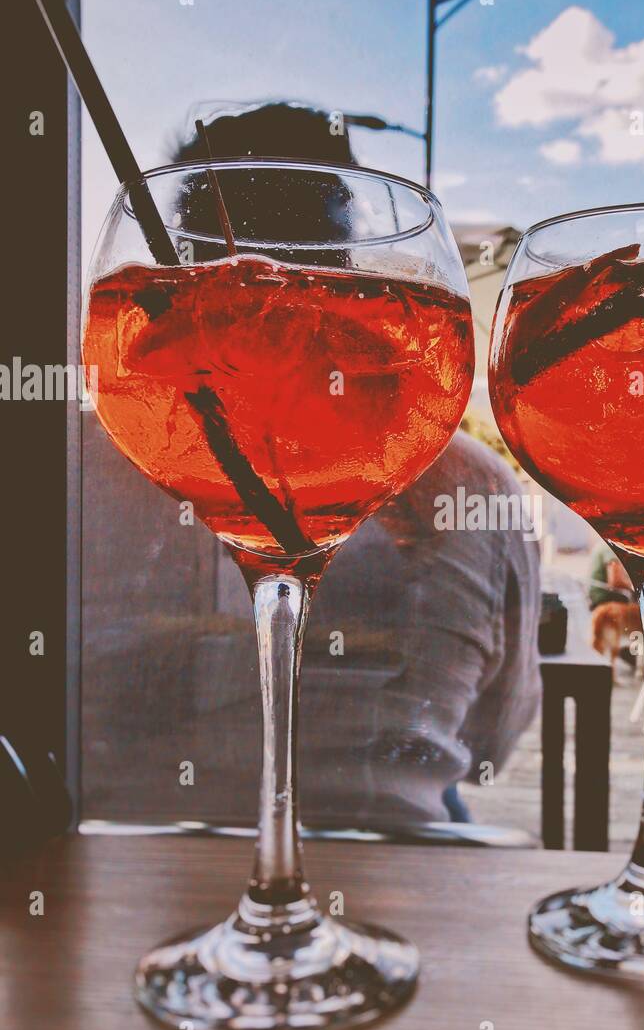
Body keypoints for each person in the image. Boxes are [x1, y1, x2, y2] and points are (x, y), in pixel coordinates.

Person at [171, 102, 541, 825]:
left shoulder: (74, 466)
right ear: (348, 252)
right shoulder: (460, 477)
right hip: (401, 848)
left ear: (177, 251)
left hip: (107, 871)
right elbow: (497, 732)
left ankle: (277, 885)